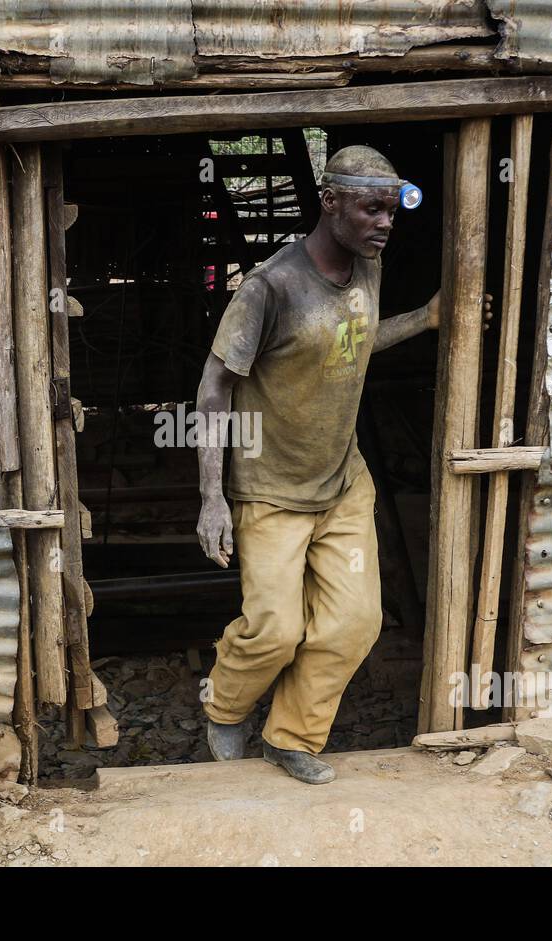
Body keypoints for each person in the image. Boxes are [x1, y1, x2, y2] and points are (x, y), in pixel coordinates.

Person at [195, 144, 487, 784]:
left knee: (354, 623)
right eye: (370, 209)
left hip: (342, 483)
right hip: (269, 486)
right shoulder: (268, 289)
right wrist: (212, 497)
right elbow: (214, 385)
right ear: (329, 203)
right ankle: (225, 704)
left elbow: (351, 340)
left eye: (391, 210)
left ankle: (291, 736)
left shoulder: (367, 268)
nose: (385, 223)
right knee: (274, 627)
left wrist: (427, 318)